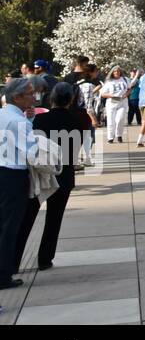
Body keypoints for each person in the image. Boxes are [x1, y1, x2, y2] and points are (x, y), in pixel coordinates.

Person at [29, 83, 92, 270]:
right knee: (54, 219)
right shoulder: (79, 121)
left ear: (51, 99)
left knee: (27, 217)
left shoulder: (40, 120)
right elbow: (76, 147)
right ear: (71, 99)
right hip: (64, 173)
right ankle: (45, 258)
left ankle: (13, 260)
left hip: (41, 173)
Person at [0, 77, 38, 289]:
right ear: (16, 97)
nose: (34, 97)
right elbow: (32, 152)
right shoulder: (19, 122)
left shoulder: (4, 115)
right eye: (30, 94)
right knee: (9, 227)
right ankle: (4, 274)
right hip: (13, 176)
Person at [100, 65, 131, 143]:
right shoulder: (109, 82)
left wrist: (125, 95)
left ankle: (119, 135)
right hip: (111, 103)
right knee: (111, 121)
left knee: (120, 119)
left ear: (120, 72)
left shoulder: (125, 79)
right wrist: (112, 95)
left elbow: (129, 89)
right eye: (115, 71)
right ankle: (110, 137)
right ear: (112, 73)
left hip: (122, 102)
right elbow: (103, 94)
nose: (116, 72)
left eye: (118, 71)